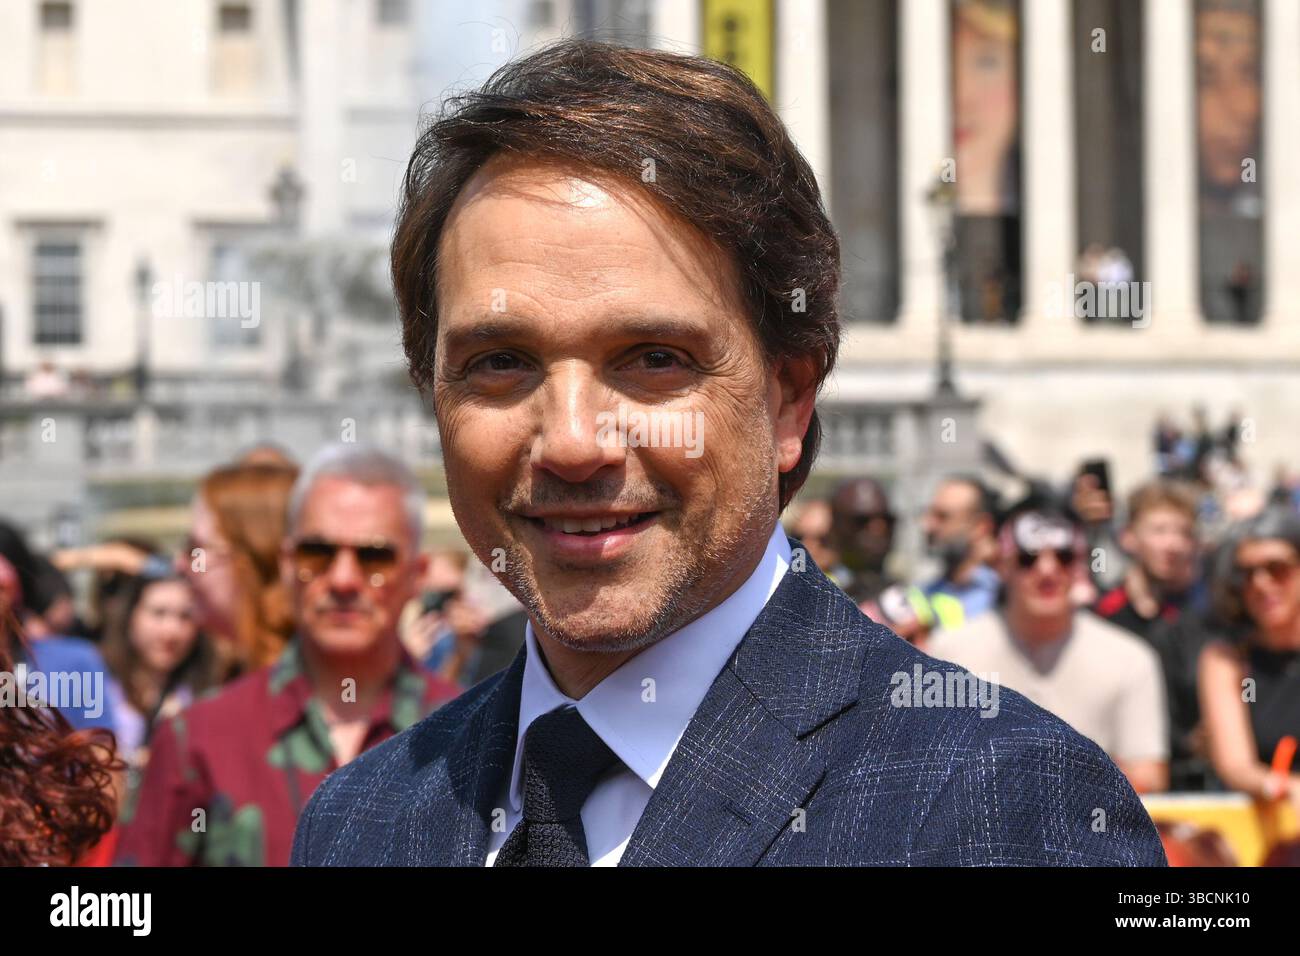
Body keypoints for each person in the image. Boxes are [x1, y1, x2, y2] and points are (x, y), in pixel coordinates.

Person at [292, 41, 1163, 866]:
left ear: (789, 398)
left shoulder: (1005, 809)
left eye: (653, 360)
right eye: (500, 363)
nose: (570, 441)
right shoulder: (361, 820)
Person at [115, 446, 461, 866]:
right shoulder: (200, 740)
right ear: (285, 563)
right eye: (317, 553)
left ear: (416, 575)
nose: (343, 580)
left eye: (374, 557)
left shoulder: (476, 735)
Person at [929, 497, 1170, 794]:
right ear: (1002, 565)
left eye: (1064, 556)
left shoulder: (1131, 658)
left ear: (1080, 564)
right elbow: (931, 772)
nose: (1047, 570)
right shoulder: (948, 653)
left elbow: (1149, 778)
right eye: (1027, 558)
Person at [1198, 509, 1300, 813]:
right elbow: (1236, 765)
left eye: (1277, 569)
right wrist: (1279, 785)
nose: (1261, 584)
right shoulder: (1226, 659)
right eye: (1247, 573)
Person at [181, 460, 299, 677]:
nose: (179, 564)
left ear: (253, 556)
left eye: (194, 548)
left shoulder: (302, 684)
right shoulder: (242, 672)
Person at [99, 572, 220, 780]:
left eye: (185, 616)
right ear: (130, 616)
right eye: (158, 613)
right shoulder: (96, 682)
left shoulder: (208, 694)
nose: (172, 631)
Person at [918, 475, 1000, 631]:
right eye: (929, 514)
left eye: (943, 517)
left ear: (980, 527)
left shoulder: (1003, 597)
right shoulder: (922, 594)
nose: (927, 526)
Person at [825, 477, 898, 605]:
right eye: (861, 521)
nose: (878, 530)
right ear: (834, 525)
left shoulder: (910, 597)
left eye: (887, 520)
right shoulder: (816, 590)